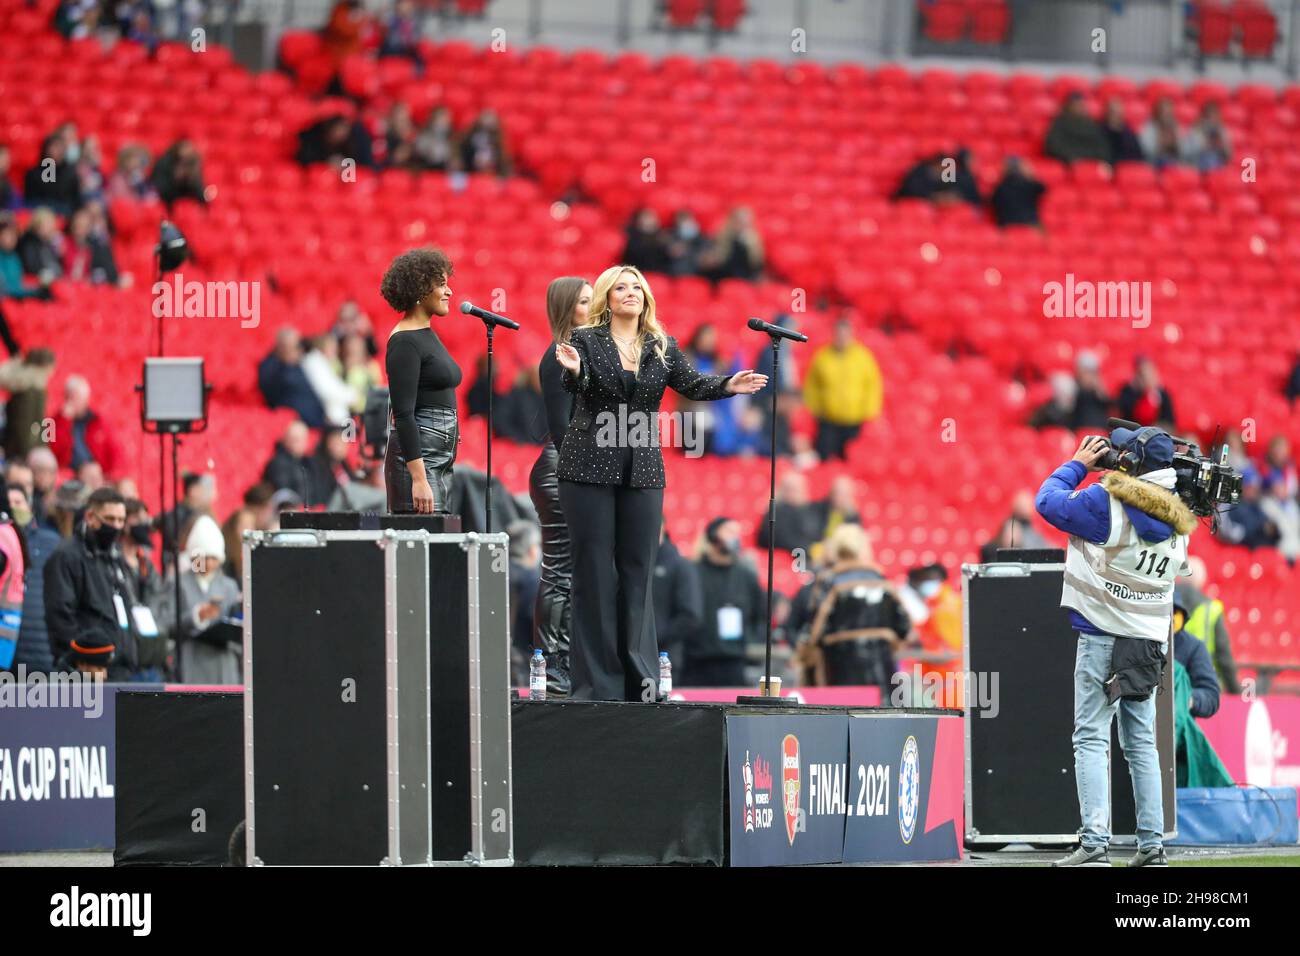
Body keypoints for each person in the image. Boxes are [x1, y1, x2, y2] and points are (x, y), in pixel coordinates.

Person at [553, 264, 766, 701]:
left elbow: (691, 384)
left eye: (637, 287)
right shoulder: (585, 340)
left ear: (646, 298)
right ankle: (597, 682)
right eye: (621, 288)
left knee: (638, 569)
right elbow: (582, 385)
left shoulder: (662, 345)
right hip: (588, 463)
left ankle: (640, 678)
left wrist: (729, 383)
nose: (630, 293)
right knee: (593, 570)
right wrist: (575, 372)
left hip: (643, 467)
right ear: (607, 299)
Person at [1037, 428, 1197, 867]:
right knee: (1142, 744)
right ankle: (1151, 846)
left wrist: (1078, 464)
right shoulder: (1183, 517)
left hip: (1101, 635)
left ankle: (1094, 842)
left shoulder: (1104, 501)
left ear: (1132, 463)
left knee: (1090, 737)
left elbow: (1047, 502)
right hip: (1147, 642)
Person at [528, 275, 592, 697]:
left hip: (572, 467)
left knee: (571, 571)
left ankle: (565, 659)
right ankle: (549, 664)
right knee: (559, 570)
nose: (596, 305)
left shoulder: (586, 353)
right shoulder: (558, 356)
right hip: (559, 470)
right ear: (569, 307)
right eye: (588, 301)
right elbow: (561, 427)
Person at [382, 247, 461, 514]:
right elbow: (403, 414)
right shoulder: (404, 341)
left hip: (438, 460)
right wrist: (418, 478)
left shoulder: (425, 334)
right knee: (421, 548)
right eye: (441, 284)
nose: (449, 291)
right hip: (419, 464)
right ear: (418, 290)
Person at [800, 523, 911, 694]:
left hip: (839, 674)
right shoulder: (883, 582)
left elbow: (813, 633)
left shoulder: (829, 582)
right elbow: (905, 628)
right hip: (882, 675)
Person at [43, 487, 134, 678]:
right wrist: (82, 659)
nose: (116, 526)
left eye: (121, 520)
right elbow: (60, 617)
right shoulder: (67, 557)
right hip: (86, 671)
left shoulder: (115, 558)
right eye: (110, 519)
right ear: (91, 517)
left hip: (120, 669)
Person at [686, 517, 765, 687]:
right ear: (712, 535)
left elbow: (761, 613)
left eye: (737, 533)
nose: (735, 538)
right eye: (729, 532)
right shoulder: (692, 572)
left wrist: (750, 638)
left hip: (734, 661)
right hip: (696, 661)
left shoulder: (746, 575)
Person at [171, 514, 242, 684]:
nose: (208, 563)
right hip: (191, 662)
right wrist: (197, 616)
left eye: (213, 558)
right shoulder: (179, 583)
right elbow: (167, 623)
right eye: (204, 558)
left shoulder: (229, 586)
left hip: (223, 664)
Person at [802, 316, 882, 461]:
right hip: (828, 419)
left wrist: (869, 412)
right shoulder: (822, 356)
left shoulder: (863, 357)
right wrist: (815, 409)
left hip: (854, 420)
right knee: (824, 457)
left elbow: (872, 386)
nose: (842, 338)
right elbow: (811, 385)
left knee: (850, 458)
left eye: (845, 334)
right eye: (839, 334)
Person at [7, 482, 59, 673]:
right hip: (8, 649)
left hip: (42, 648)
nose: (13, 507)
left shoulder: (51, 542)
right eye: (8, 502)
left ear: (29, 507)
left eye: (18, 502)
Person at [651, 520, 703, 682]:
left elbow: (690, 615)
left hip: (665, 658)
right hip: (630, 656)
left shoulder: (680, 566)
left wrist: (652, 637)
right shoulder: (628, 564)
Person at [48, 374, 120, 477]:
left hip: (96, 470)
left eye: (79, 398)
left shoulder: (97, 422)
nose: (75, 403)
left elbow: (114, 451)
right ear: (65, 398)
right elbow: (55, 450)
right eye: (72, 398)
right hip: (70, 471)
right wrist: (64, 420)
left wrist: (113, 474)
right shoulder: (54, 422)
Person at [259, 327, 327, 427]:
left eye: (296, 345)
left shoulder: (303, 362)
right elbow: (271, 393)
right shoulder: (271, 366)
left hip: (317, 418)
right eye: (289, 346)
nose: (295, 350)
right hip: (294, 423)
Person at [755, 471, 822, 555]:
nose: (793, 493)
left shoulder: (811, 510)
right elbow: (779, 539)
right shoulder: (777, 511)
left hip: (808, 555)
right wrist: (808, 549)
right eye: (789, 489)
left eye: (797, 489)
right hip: (788, 556)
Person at [1044, 93, 1110, 165]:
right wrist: (1070, 157)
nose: (1079, 108)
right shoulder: (1060, 122)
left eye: (1081, 105)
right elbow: (1053, 145)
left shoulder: (1091, 124)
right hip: (1068, 160)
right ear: (1068, 107)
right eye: (1075, 105)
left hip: (1092, 160)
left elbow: (1101, 145)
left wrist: (1097, 159)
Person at [1117, 355, 1176, 429]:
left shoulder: (1163, 394)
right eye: (1144, 375)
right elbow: (1126, 416)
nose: (1148, 378)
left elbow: (1170, 422)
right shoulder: (1127, 392)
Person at [991, 157, 1045, 228]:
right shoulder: (1029, 184)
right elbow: (1042, 188)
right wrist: (1030, 175)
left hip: (1007, 225)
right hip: (1029, 223)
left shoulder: (1000, 187)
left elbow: (993, 201)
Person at [1140, 98, 1184, 170]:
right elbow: (1145, 149)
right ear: (1157, 113)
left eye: (1168, 112)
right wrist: (1159, 142)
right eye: (1163, 112)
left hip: (1175, 161)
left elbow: (1185, 150)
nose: (1166, 114)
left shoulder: (1177, 127)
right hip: (1154, 162)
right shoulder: (1148, 127)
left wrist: (1175, 142)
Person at [1102, 98, 1144, 164]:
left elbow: (1138, 155)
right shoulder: (1101, 132)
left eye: (1119, 113)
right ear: (1107, 113)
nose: (1116, 116)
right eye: (1113, 113)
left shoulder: (1129, 132)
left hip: (1129, 167)